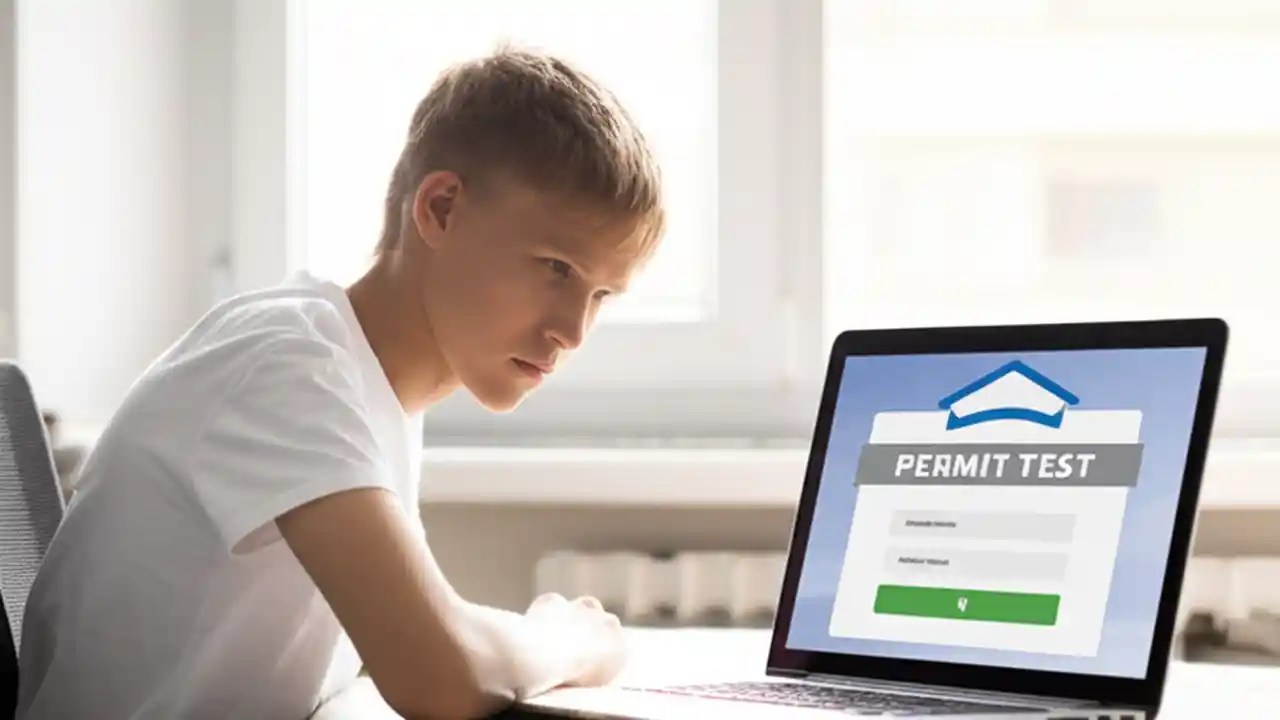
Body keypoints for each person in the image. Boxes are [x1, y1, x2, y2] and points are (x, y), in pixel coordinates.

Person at [17, 47, 664, 719]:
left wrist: (529, 641)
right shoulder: (289, 366)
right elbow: (439, 675)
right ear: (440, 209)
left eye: (601, 296)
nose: (573, 331)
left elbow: (437, 638)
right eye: (555, 267)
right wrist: (566, 645)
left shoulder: (367, 389)